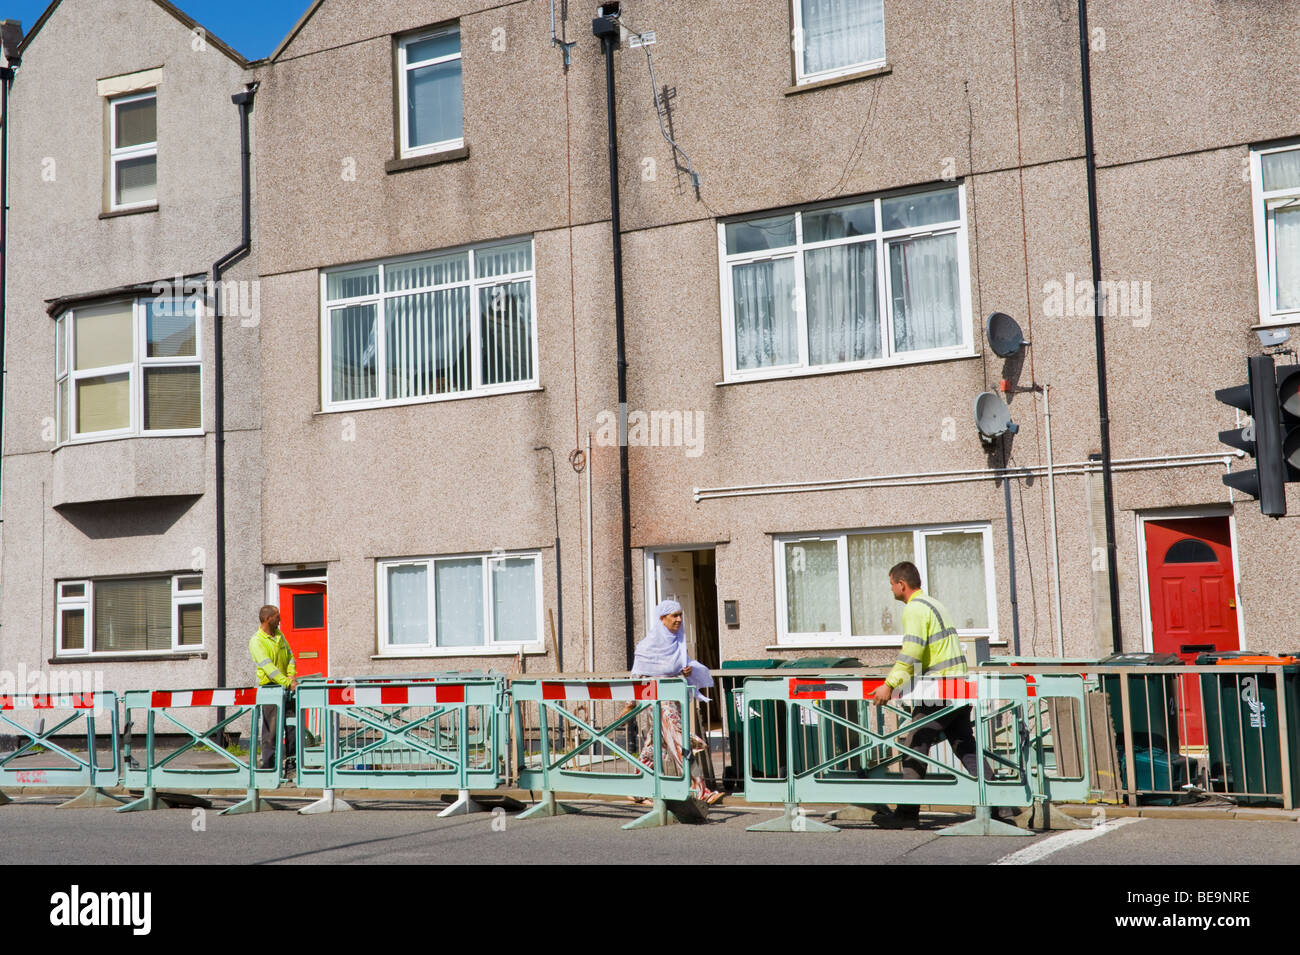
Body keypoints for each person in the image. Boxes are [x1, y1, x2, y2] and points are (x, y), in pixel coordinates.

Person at [869, 561, 977, 829]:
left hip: (939, 690)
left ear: (901, 585)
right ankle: (1003, 807)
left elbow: (912, 653)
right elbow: (925, 655)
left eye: (891, 584)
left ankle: (906, 814)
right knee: (965, 747)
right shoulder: (934, 604)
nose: (891, 588)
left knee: (914, 742)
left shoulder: (914, 609)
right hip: (956, 688)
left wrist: (889, 684)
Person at [627, 599, 722, 805]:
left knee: (655, 747)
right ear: (662, 619)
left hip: (673, 700)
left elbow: (676, 667)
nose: (679, 620)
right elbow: (638, 674)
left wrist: (685, 671)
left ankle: (637, 789)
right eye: (674, 616)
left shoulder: (677, 642)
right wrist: (630, 702)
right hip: (658, 703)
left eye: (680, 615)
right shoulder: (648, 645)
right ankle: (700, 790)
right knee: (681, 742)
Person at [249, 605, 297, 772]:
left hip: (286, 687)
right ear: (268, 619)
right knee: (272, 731)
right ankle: (269, 767)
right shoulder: (257, 641)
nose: (280, 619)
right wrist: (286, 682)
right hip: (271, 689)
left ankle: (292, 764)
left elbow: (290, 656)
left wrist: (291, 675)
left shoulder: (279, 635)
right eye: (277, 617)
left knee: (292, 728)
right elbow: (268, 668)